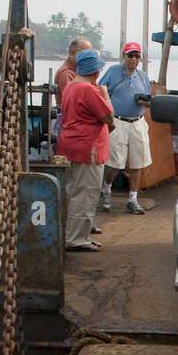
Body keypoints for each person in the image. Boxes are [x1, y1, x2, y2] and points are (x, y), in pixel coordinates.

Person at [58, 49, 115, 251]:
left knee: (72, 190)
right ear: (96, 71)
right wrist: (106, 95)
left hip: (70, 144)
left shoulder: (70, 87)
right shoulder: (88, 90)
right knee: (86, 193)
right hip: (88, 146)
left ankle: (71, 233)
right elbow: (109, 118)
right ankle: (76, 238)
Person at [99, 41, 153, 214]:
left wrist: (145, 102)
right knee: (115, 162)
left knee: (138, 162)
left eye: (137, 56)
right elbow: (100, 89)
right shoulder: (113, 72)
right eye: (130, 55)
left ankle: (133, 199)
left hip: (137, 121)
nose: (134, 59)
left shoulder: (142, 76)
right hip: (118, 121)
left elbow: (149, 98)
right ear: (124, 56)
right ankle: (106, 189)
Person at [51, 36, 92, 149]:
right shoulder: (67, 74)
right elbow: (73, 103)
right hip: (69, 124)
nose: (89, 58)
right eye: (86, 54)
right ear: (73, 53)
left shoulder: (77, 72)